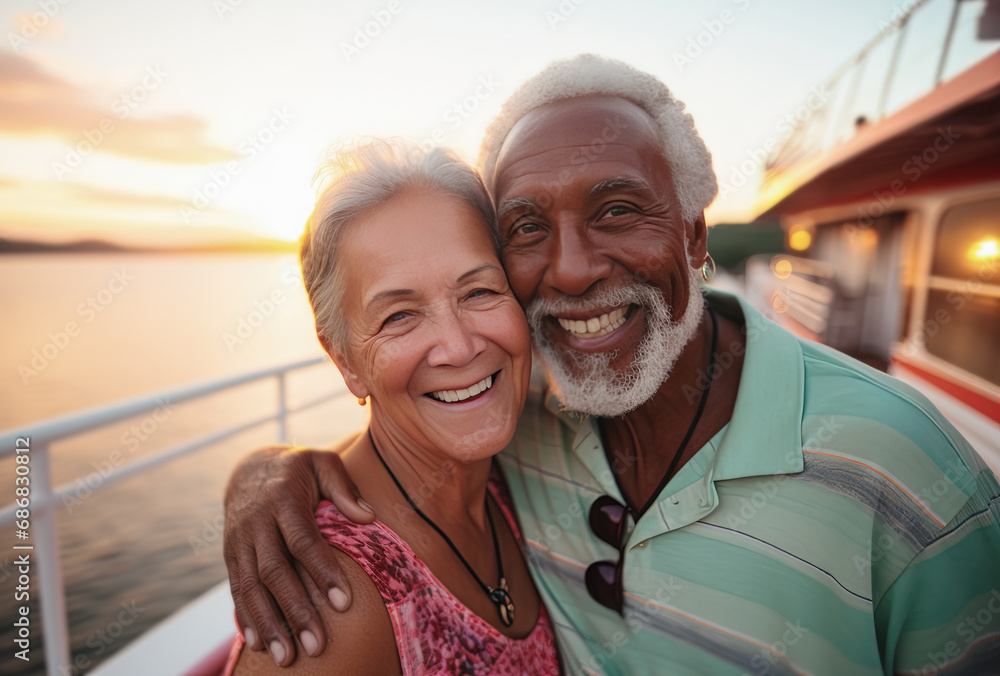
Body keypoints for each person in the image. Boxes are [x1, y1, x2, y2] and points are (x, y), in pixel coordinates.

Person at [224, 56, 1000, 675]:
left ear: (697, 236)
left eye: (618, 210)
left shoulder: (904, 467)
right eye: (527, 227)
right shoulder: (517, 427)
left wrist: (267, 471)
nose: (569, 271)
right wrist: (270, 471)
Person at [225, 141, 561, 674]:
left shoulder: (520, 463)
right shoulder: (335, 606)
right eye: (399, 316)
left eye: (478, 292)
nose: (458, 346)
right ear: (345, 361)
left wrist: (259, 470)